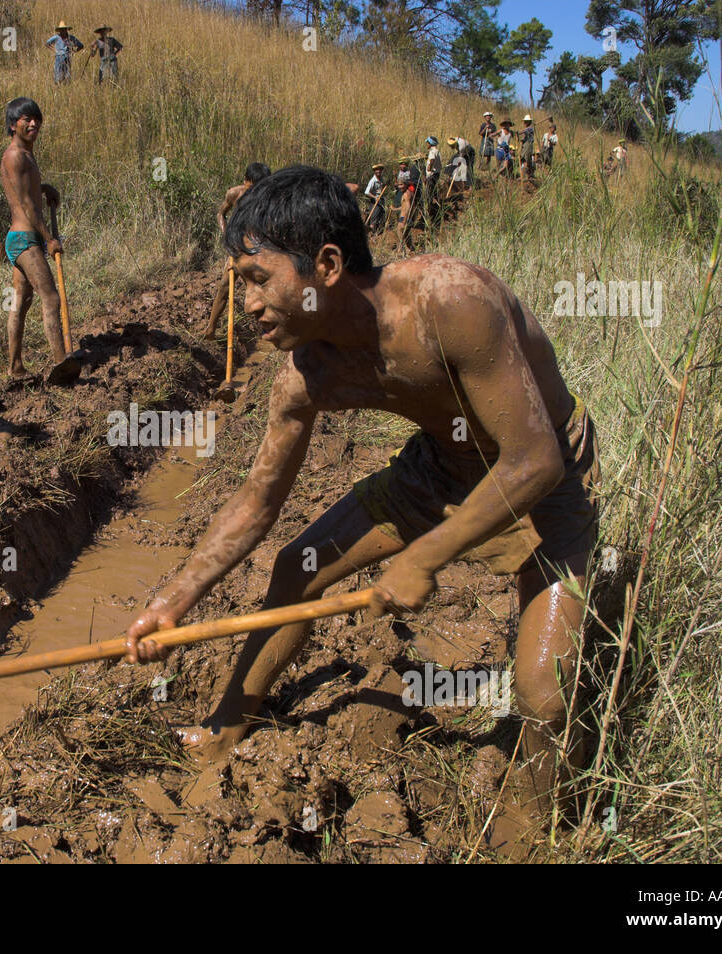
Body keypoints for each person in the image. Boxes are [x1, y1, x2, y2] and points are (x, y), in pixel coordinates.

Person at [125, 166, 601, 836]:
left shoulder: (450, 304)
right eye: (241, 284)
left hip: (543, 476)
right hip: (439, 468)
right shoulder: (305, 374)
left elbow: (535, 459)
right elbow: (257, 501)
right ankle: (228, 726)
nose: (248, 305)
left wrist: (426, 556)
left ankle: (537, 834)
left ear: (325, 264)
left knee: (544, 698)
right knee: (298, 568)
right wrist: (176, 598)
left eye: (259, 279)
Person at [0, 97, 71, 383]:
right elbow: (27, 205)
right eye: (26, 119)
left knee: (20, 303)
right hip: (24, 240)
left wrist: (44, 188)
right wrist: (49, 239)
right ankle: (61, 363)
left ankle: (15, 368)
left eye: (36, 119)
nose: (33, 124)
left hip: (24, 238)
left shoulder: (26, 154)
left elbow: (27, 190)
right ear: (12, 124)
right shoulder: (15, 155)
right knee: (51, 298)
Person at [203, 162, 271, 339]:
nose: (257, 190)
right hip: (236, 248)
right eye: (254, 185)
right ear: (246, 181)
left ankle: (268, 327)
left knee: (263, 288)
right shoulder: (235, 194)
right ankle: (210, 329)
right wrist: (227, 235)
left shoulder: (267, 198)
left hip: (257, 248)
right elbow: (221, 214)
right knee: (225, 286)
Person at [520, 114, 536, 181]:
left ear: (529, 122)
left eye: (527, 121)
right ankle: (524, 175)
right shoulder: (527, 129)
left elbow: (524, 132)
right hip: (525, 145)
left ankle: (526, 175)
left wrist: (518, 133)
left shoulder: (530, 129)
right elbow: (523, 137)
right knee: (522, 159)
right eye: (525, 121)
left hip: (528, 145)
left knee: (527, 159)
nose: (525, 123)